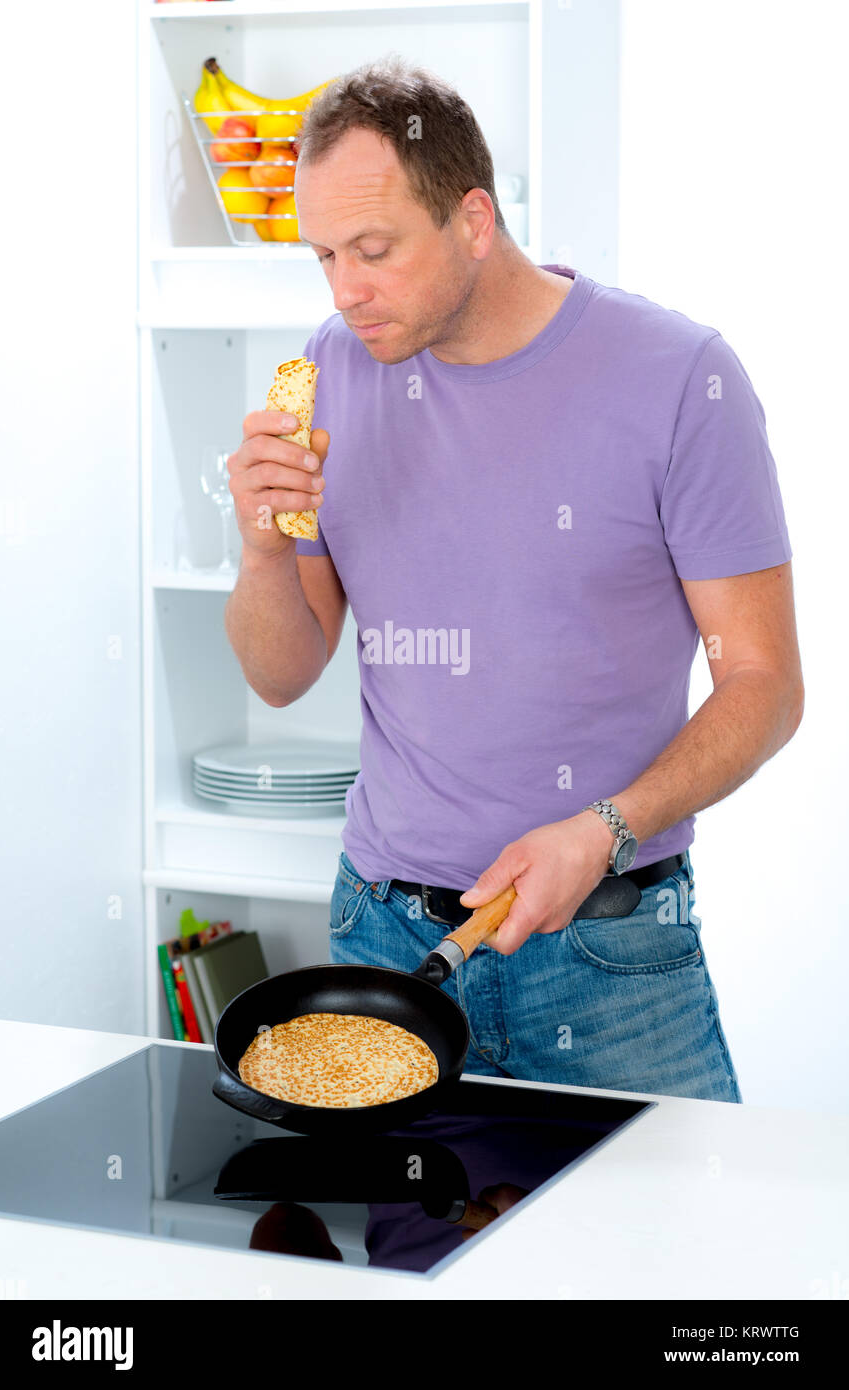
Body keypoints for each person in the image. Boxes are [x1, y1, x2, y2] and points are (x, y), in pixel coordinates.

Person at [224, 57, 804, 1103]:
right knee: (407, 1255)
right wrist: (264, 546)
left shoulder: (680, 380)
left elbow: (765, 684)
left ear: (474, 219)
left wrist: (605, 830)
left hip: (611, 948)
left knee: (668, 1262)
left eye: (375, 249)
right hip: (386, 936)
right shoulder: (333, 368)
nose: (346, 289)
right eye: (323, 256)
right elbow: (280, 672)